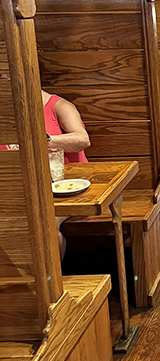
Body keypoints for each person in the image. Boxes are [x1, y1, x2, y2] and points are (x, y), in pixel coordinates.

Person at [43, 91, 90, 259]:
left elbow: (82, 140)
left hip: (68, 189)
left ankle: (52, 281)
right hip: (19, 190)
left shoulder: (59, 106)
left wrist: (41, 140)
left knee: (45, 222)